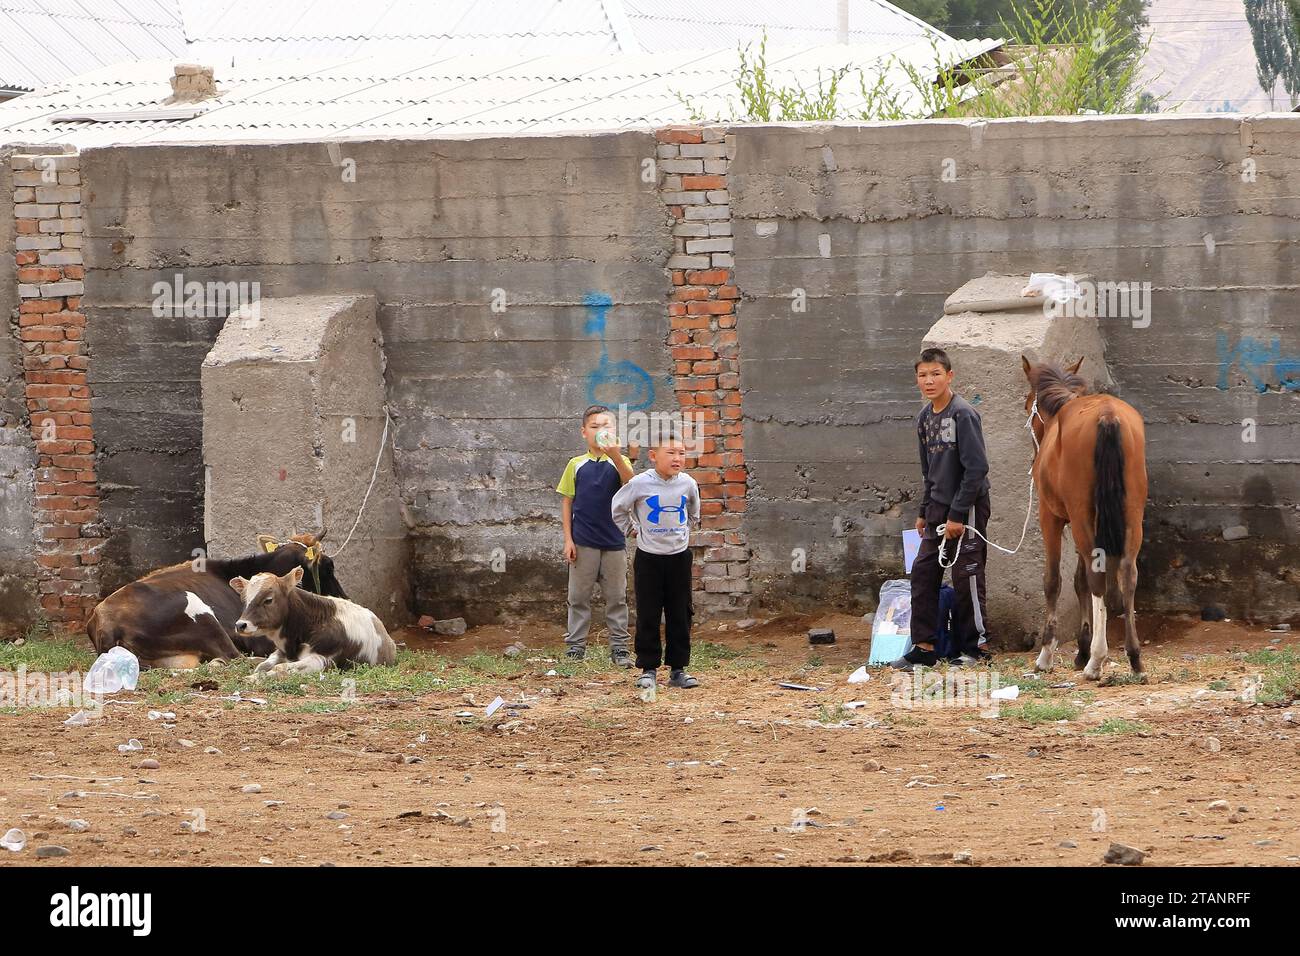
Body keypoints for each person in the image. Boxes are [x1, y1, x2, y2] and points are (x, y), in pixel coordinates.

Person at [893, 347, 993, 671]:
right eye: (923, 375)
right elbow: (929, 471)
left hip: (967, 507)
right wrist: (924, 511)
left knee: (966, 574)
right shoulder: (924, 419)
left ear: (949, 376)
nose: (929, 380)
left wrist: (958, 515)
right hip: (937, 507)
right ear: (917, 380)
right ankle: (924, 647)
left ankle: (975, 649)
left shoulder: (963, 414)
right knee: (923, 572)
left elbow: (976, 470)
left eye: (936, 374)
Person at [611, 431, 701, 690]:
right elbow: (618, 508)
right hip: (649, 559)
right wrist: (631, 529)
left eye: (682, 453)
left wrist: (685, 532)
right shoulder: (640, 483)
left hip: (679, 558)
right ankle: (648, 668)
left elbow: (694, 511)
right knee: (649, 612)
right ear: (653, 456)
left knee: (680, 613)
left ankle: (678, 669)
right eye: (670, 453)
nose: (677, 458)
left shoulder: (688, 483)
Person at [556, 405, 635, 665]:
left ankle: (620, 648)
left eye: (607, 426)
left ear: (615, 432)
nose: (601, 431)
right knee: (578, 597)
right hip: (583, 542)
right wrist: (568, 539)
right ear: (584, 432)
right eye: (595, 427)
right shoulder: (575, 465)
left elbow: (630, 483)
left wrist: (615, 454)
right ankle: (575, 646)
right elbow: (567, 501)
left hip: (614, 542)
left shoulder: (620, 461)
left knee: (617, 597)